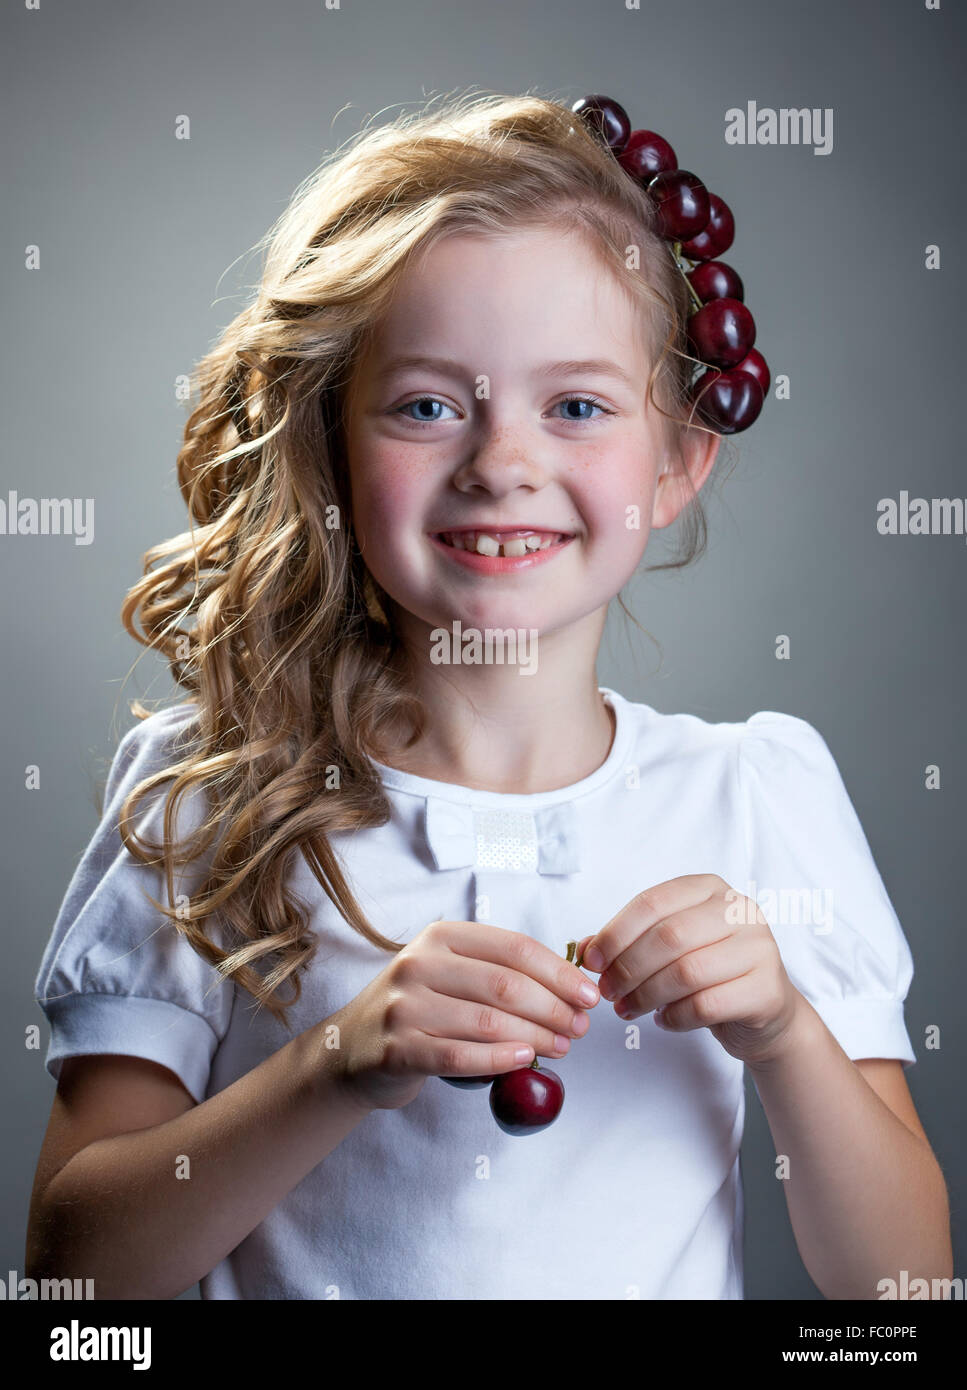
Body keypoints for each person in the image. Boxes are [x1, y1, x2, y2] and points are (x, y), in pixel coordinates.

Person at [27, 91, 951, 1301]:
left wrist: (784, 1030)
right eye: (426, 406)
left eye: (576, 406)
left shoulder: (757, 797)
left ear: (676, 461)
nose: (501, 461)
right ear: (330, 449)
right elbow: (70, 1293)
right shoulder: (209, 802)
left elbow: (905, 1290)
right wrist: (337, 1065)